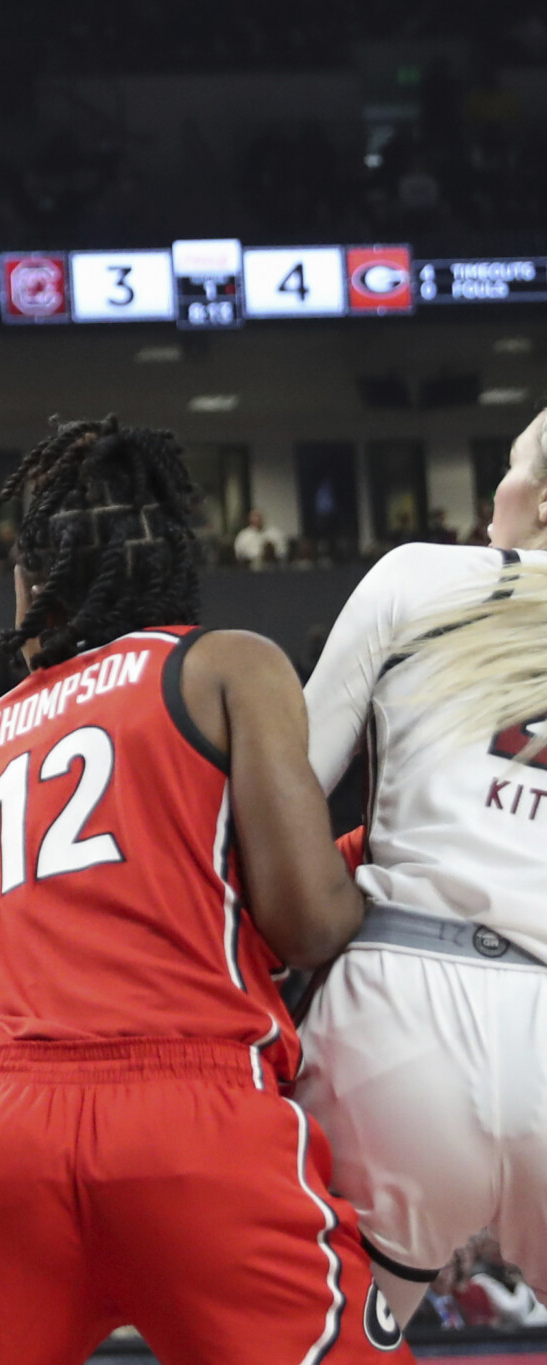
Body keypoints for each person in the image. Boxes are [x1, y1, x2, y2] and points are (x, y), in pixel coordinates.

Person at [0, 417, 404, 1364]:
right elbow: (308, 924)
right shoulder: (227, 663)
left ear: (37, 581)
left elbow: (116, 907)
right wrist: (386, 863)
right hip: (188, 1119)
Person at [293, 405, 547, 1325]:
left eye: (510, 465)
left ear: (544, 499)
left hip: (400, 1015)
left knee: (321, 1341)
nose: (496, 491)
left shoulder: (418, 574)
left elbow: (289, 787)